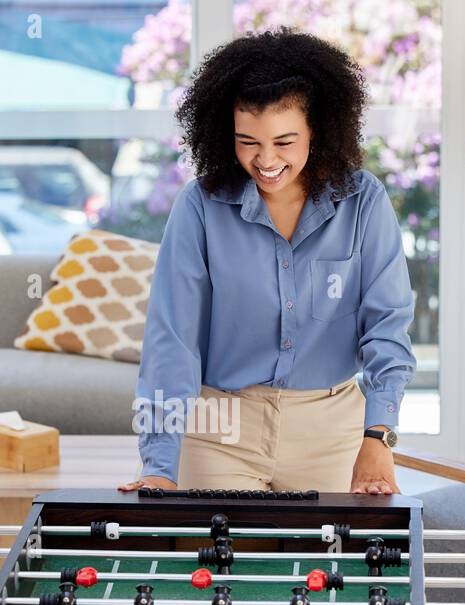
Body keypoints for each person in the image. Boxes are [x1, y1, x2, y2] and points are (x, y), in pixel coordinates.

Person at [120, 29, 416, 494]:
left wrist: (379, 436)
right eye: (247, 142)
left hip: (331, 428)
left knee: (333, 568)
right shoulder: (200, 206)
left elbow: (388, 328)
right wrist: (158, 463)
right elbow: (171, 342)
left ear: (317, 129)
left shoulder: (363, 202)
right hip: (220, 427)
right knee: (220, 567)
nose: (265, 159)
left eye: (284, 141)